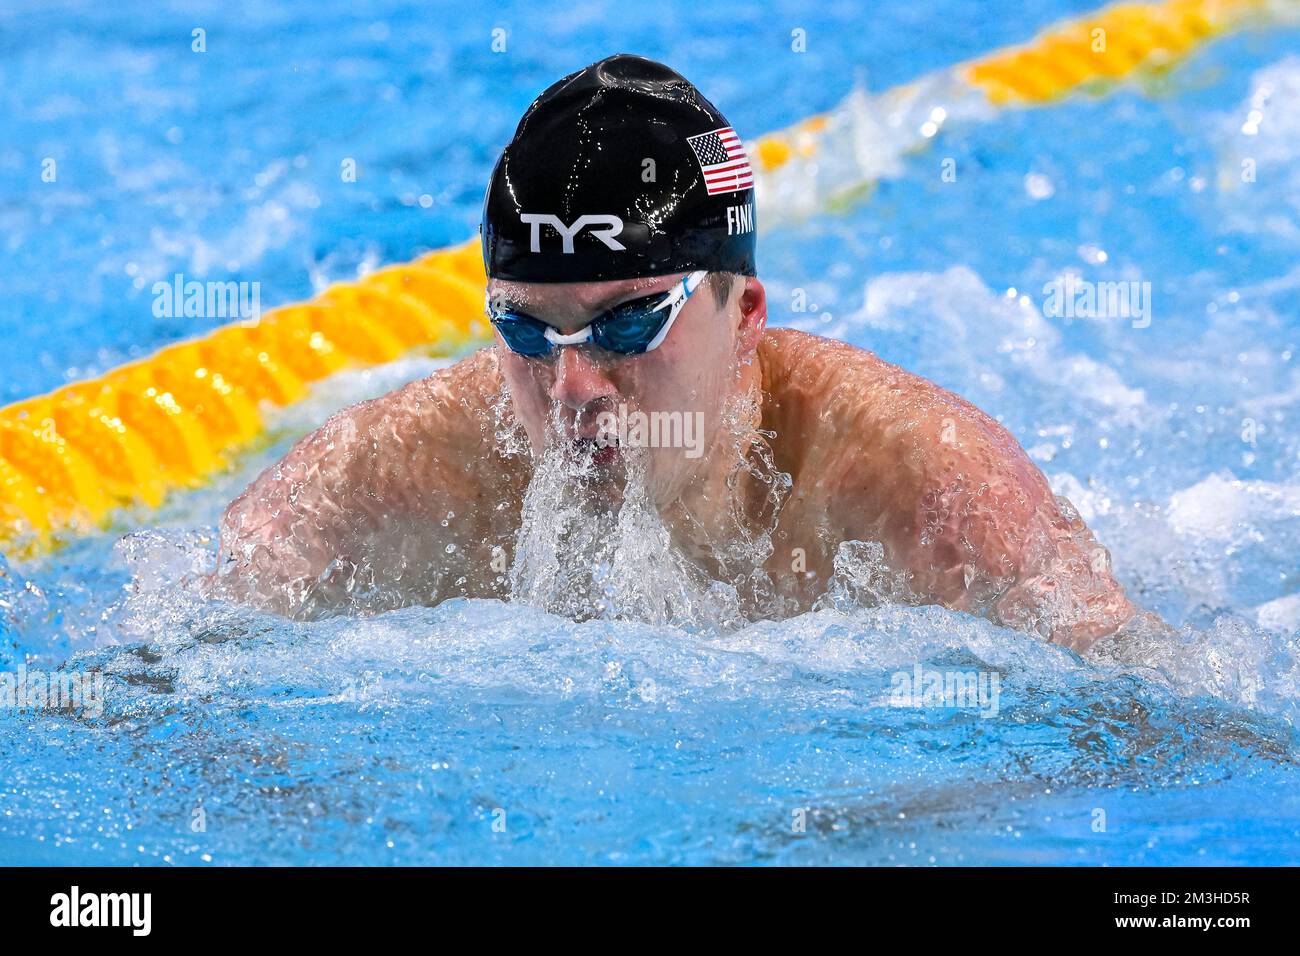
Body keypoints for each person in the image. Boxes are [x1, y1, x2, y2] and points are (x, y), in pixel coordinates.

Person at [212, 54, 1140, 651]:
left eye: (626, 324)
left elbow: (1151, 729)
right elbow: (173, 684)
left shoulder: (923, 490)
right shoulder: (386, 479)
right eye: (529, 329)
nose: (574, 385)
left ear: (746, 314)